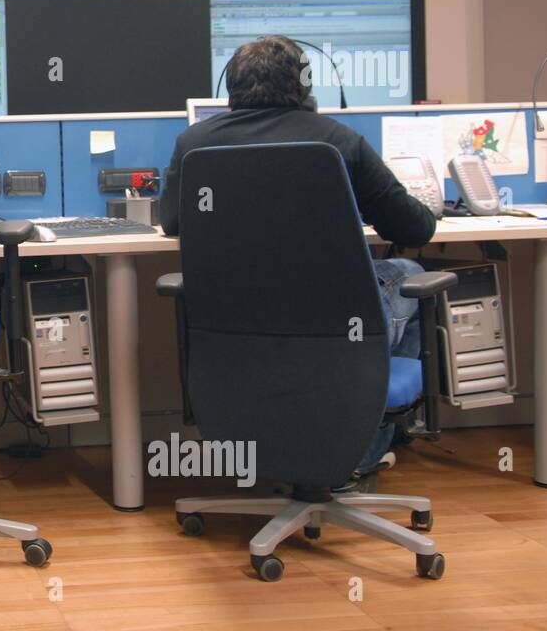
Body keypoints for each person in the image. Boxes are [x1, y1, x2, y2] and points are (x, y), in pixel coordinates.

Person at [158, 35, 437, 486]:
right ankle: (363, 448)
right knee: (411, 273)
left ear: (232, 87)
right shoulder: (340, 142)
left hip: (238, 328)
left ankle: (304, 450)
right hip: (333, 323)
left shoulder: (195, 143)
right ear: (304, 86)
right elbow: (415, 230)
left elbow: (170, 221)